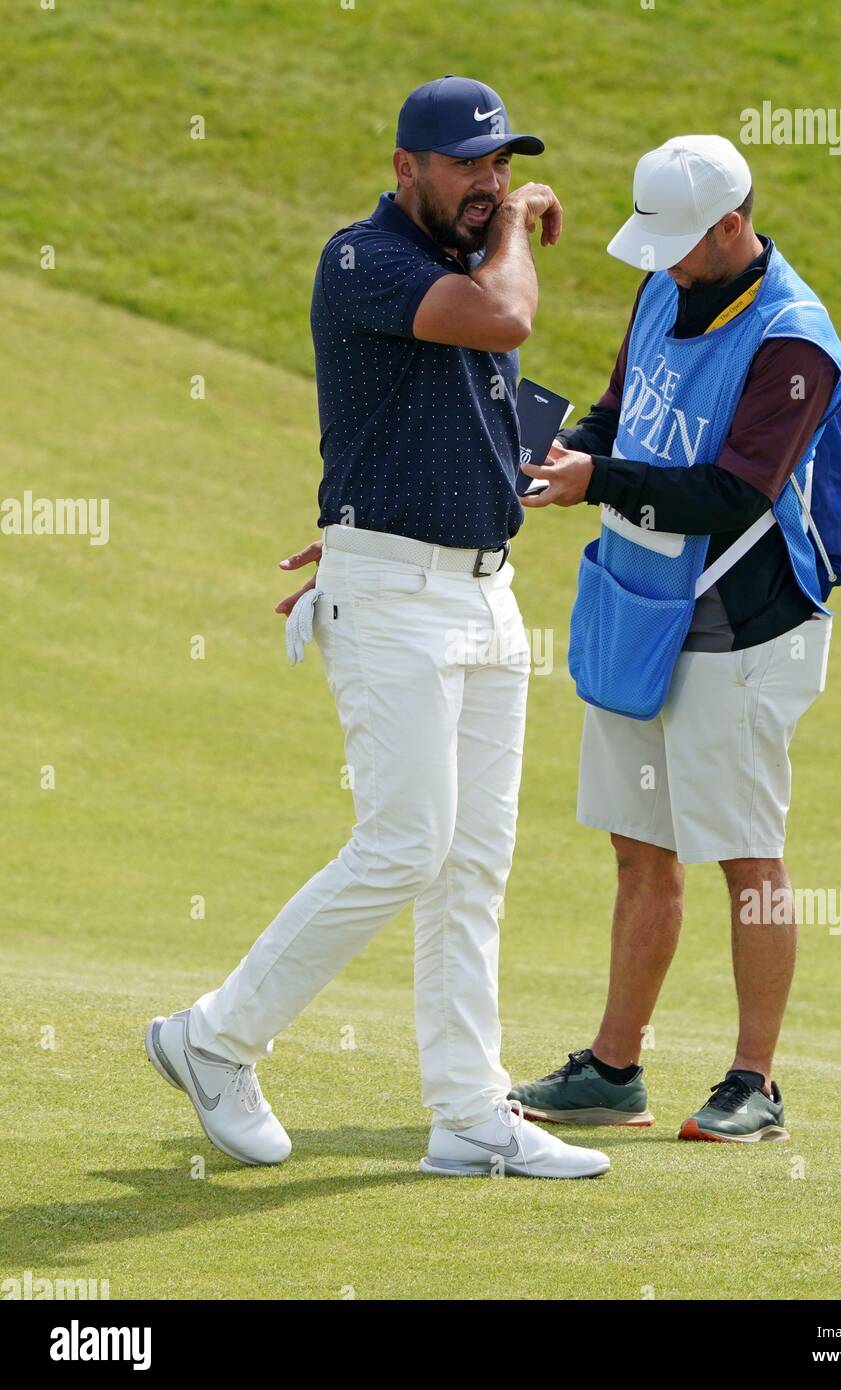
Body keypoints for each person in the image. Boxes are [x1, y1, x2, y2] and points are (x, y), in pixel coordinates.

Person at [146, 75, 609, 1180]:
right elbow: (508, 317)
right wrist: (521, 225)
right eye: (468, 166)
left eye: (501, 165)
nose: (488, 185)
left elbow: (422, 419)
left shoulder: (459, 262)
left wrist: (361, 525)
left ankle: (466, 1111)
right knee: (406, 841)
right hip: (398, 601)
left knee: (473, 864)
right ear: (406, 169)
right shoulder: (364, 259)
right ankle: (213, 1039)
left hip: (483, 596)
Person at [510, 135, 841, 1143]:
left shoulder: (794, 340)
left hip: (743, 627)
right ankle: (614, 1070)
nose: (655, 262)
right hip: (641, 599)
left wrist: (597, 481)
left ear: (731, 225)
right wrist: (571, 453)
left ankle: (756, 1085)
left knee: (746, 855)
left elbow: (734, 493)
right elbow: (622, 413)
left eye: (674, 242)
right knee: (638, 847)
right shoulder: (663, 285)